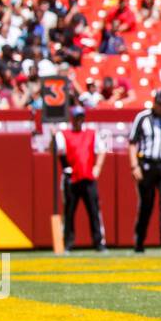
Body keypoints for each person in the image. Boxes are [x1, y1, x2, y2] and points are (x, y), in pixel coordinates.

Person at [129, 89, 161, 254]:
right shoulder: (143, 117)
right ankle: (140, 240)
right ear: (155, 103)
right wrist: (135, 165)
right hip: (147, 166)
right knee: (146, 204)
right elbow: (132, 142)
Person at [54, 106, 108, 251]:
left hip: (88, 177)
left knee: (94, 211)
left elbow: (102, 150)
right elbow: (54, 150)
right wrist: (52, 138)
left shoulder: (91, 134)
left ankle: (99, 242)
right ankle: (68, 243)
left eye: (81, 117)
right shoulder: (63, 134)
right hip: (71, 178)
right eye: (76, 117)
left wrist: (97, 167)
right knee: (69, 212)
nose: (79, 120)